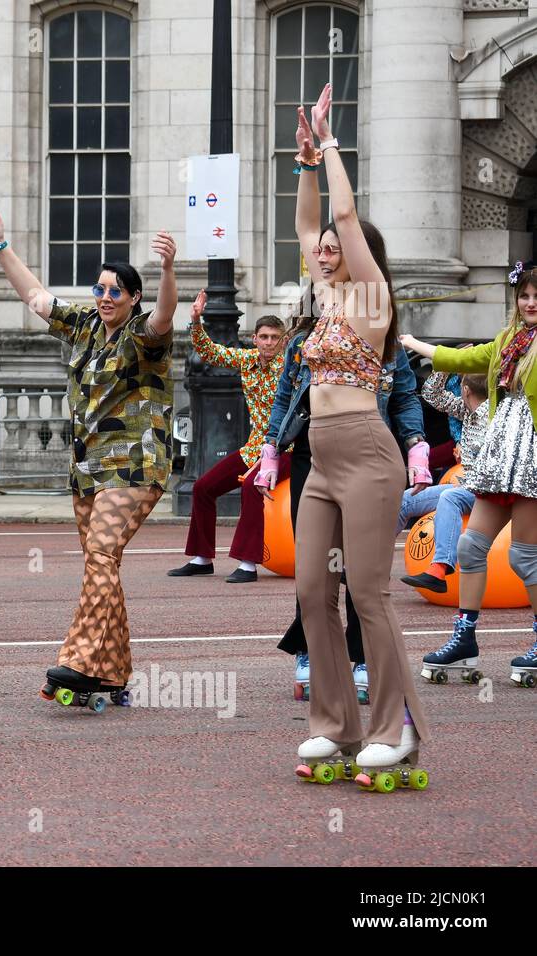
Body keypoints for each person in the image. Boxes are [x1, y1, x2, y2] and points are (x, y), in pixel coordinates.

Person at [0, 207, 178, 709]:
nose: (106, 297)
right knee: (100, 562)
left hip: (134, 464)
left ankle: (82, 660)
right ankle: (112, 672)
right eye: (100, 289)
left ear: (133, 298)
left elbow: (166, 315)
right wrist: (0, 246)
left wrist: (169, 270)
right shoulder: (84, 326)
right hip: (87, 468)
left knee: (102, 554)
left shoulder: (143, 337)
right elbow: (34, 296)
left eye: (116, 292)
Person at [285, 84, 428, 788]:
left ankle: (394, 729)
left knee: (369, 594)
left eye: (343, 245)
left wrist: (332, 141)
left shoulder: (371, 302)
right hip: (321, 457)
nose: (328, 247)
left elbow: (340, 212)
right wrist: (304, 161)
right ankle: (334, 726)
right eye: (327, 249)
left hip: (369, 454)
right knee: (314, 590)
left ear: (364, 253)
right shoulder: (323, 296)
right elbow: (311, 222)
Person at [258, 287, 428, 703]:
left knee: (360, 565)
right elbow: (285, 397)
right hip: (311, 455)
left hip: (367, 452)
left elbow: (404, 397)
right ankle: (310, 649)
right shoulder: (303, 343)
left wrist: (416, 445)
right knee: (315, 564)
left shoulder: (384, 341)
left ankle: (363, 655)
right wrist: (270, 449)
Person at [401, 259, 537, 689]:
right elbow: (465, 357)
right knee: (470, 546)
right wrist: (415, 343)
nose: (531, 302)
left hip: (532, 459)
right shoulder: (507, 342)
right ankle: (464, 638)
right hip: (500, 458)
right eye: (525, 295)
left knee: (523, 557)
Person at [168, 295, 286, 584]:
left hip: (286, 449)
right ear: (254, 339)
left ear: (283, 341)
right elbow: (210, 352)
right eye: (264, 337)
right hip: (253, 449)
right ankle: (201, 558)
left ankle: (248, 564)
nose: (269, 342)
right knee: (203, 487)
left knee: (250, 487)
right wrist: (195, 320)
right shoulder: (246, 360)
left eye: (275, 337)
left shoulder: (291, 367)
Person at [396, 371, 487, 593]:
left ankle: (439, 568)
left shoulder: (498, 415)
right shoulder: (466, 409)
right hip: (469, 485)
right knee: (406, 499)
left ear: (465, 390)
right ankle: (370, 564)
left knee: (450, 497)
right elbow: (431, 394)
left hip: (490, 493)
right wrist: (445, 366)